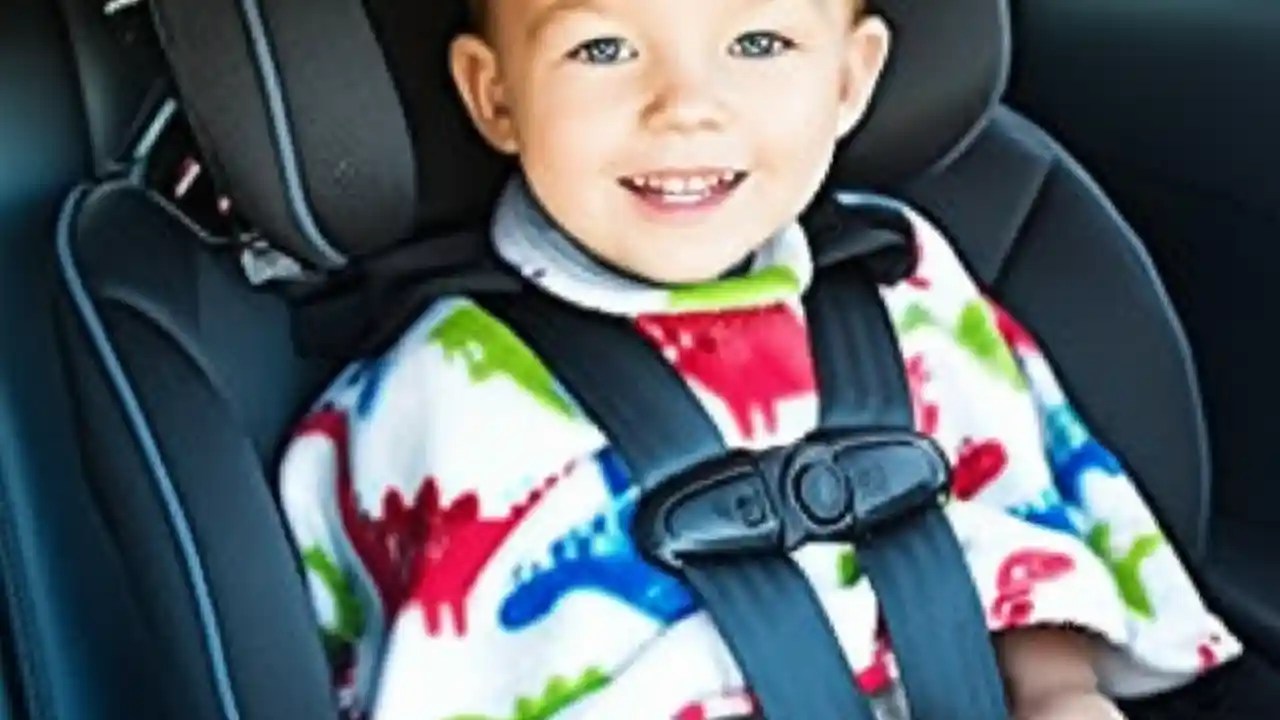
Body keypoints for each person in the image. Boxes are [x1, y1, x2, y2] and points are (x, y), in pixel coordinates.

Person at [277, 0, 1255, 717]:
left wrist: (1055, 691)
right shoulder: (434, 392)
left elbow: (1019, 509)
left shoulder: (903, 282)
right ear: (495, 94)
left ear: (849, 78)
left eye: (757, 43)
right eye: (603, 48)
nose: (684, 107)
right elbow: (441, 670)